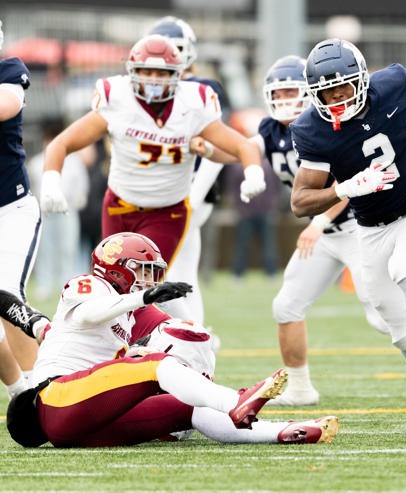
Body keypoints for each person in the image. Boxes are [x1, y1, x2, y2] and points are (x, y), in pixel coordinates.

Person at [199, 55, 406, 406]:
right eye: (279, 93)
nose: (286, 100)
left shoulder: (327, 128)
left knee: (384, 317)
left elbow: (350, 185)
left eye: (293, 92)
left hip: (354, 225)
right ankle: (301, 388)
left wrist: (317, 223)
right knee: (286, 305)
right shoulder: (271, 132)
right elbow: (239, 153)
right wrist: (206, 149)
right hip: (323, 234)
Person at [290, 38, 406, 438]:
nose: (337, 97)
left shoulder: (392, 84)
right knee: (395, 324)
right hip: (369, 227)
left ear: (361, 79)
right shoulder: (312, 129)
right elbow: (300, 201)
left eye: (343, 87)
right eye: (327, 91)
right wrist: (344, 189)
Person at [2, 232, 339, 448]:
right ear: (117, 270)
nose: (150, 279)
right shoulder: (88, 286)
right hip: (54, 400)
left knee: (188, 407)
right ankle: (234, 400)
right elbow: (91, 314)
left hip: (88, 427)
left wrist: (285, 430)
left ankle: (277, 431)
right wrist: (145, 297)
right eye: (143, 271)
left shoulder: (120, 316)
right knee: (154, 364)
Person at [39, 34, 267, 281]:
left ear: (177, 75)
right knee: (109, 286)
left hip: (166, 213)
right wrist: (51, 183)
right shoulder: (117, 99)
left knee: (140, 285)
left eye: (162, 73)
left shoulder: (192, 104)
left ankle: (166, 320)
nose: (154, 80)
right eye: (146, 72)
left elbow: (244, 146)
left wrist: (253, 173)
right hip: (118, 207)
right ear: (133, 72)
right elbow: (60, 144)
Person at [147, 16, 230, 324]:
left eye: (176, 49)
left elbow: (216, 148)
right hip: (159, 192)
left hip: (190, 190)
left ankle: (192, 336)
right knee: (177, 270)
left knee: (168, 271)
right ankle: (195, 337)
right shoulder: (143, 93)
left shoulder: (200, 88)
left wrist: (193, 197)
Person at [0, 18, 44, 398]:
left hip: (9, 210)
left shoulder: (9, 70)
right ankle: (21, 393)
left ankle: (41, 389)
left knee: (5, 293)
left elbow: (6, 105)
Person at [28, 120, 93, 300]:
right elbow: (33, 188)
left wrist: (77, 200)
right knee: (45, 249)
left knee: (68, 247)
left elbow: (82, 185)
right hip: (45, 212)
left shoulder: (73, 162)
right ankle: (44, 285)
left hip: (68, 210)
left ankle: (67, 283)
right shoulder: (36, 162)